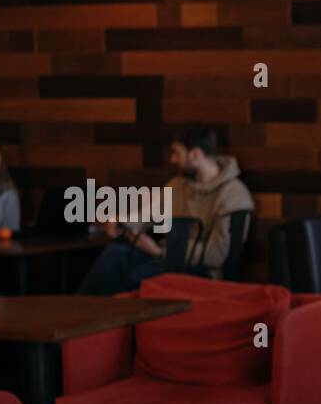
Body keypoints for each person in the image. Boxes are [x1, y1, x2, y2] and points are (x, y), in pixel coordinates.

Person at [77, 124, 254, 294]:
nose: (173, 159)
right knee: (115, 255)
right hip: (167, 258)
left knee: (137, 276)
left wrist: (160, 251)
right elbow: (149, 214)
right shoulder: (179, 185)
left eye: (177, 153)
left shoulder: (234, 196)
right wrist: (121, 222)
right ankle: (79, 314)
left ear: (195, 154)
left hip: (203, 272)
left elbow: (216, 255)